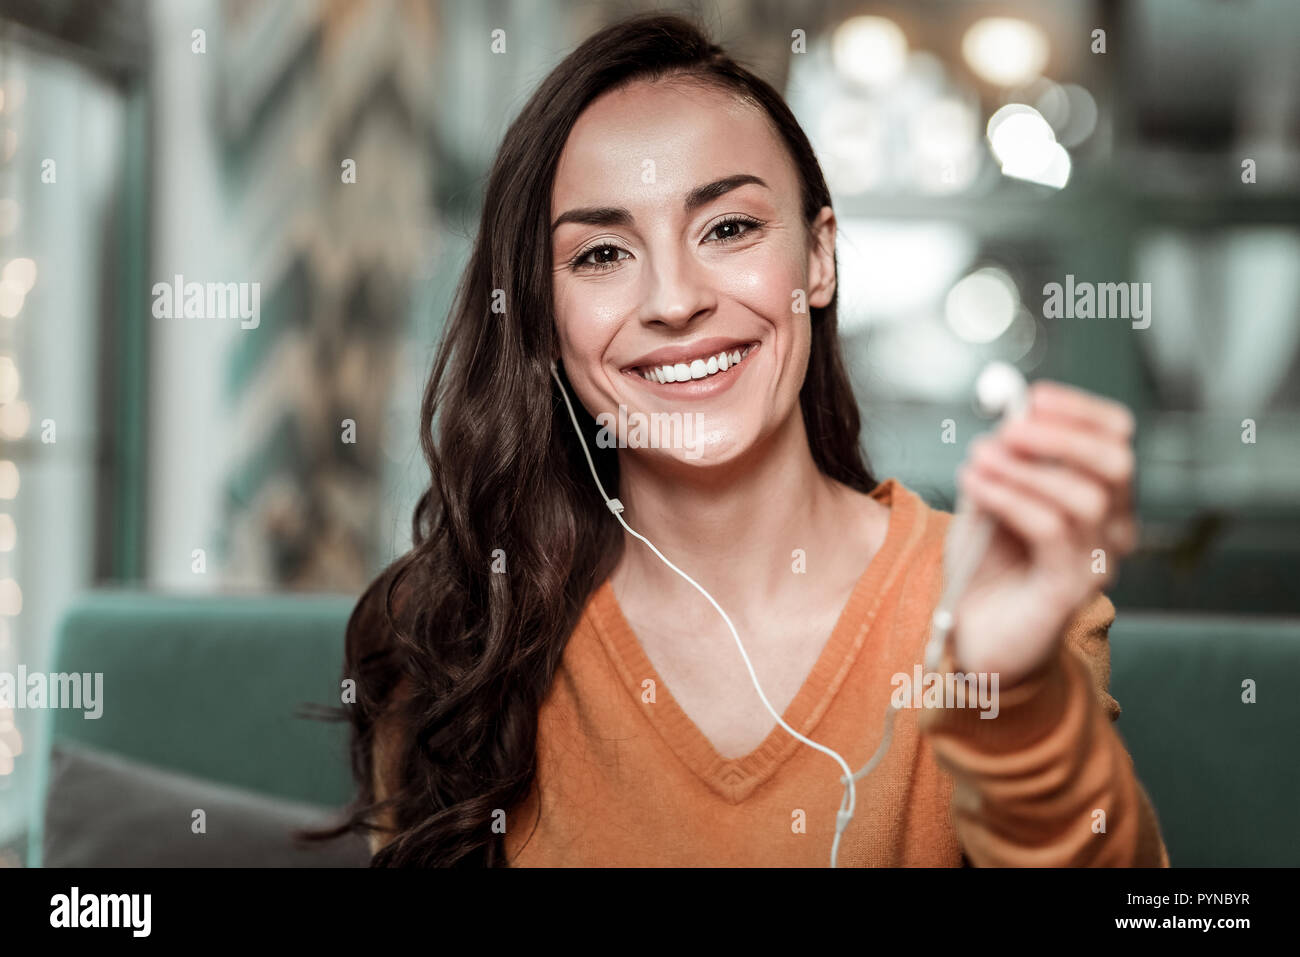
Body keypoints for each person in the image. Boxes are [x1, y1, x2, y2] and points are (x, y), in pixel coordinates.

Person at [320, 12, 1169, 867]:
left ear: (818, 258)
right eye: (602, 253)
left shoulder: (992, 594)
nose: (675, 299)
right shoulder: (456, 632)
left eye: (728, 228)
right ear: (541, 320)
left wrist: (1013, 698)